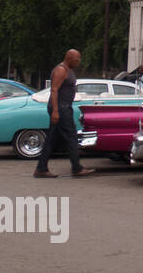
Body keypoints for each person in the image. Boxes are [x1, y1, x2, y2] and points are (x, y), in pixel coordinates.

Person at [33, 49, 96, 179]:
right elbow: (54, 90)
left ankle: (41, 168)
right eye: (77, 59)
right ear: (69, 58)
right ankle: (76, 168)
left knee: (52, 138)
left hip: (64, 107)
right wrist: (55, 111)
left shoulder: (68, 70)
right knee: (71, 136)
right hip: (60, 108)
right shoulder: (61, 70)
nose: (79, 62)